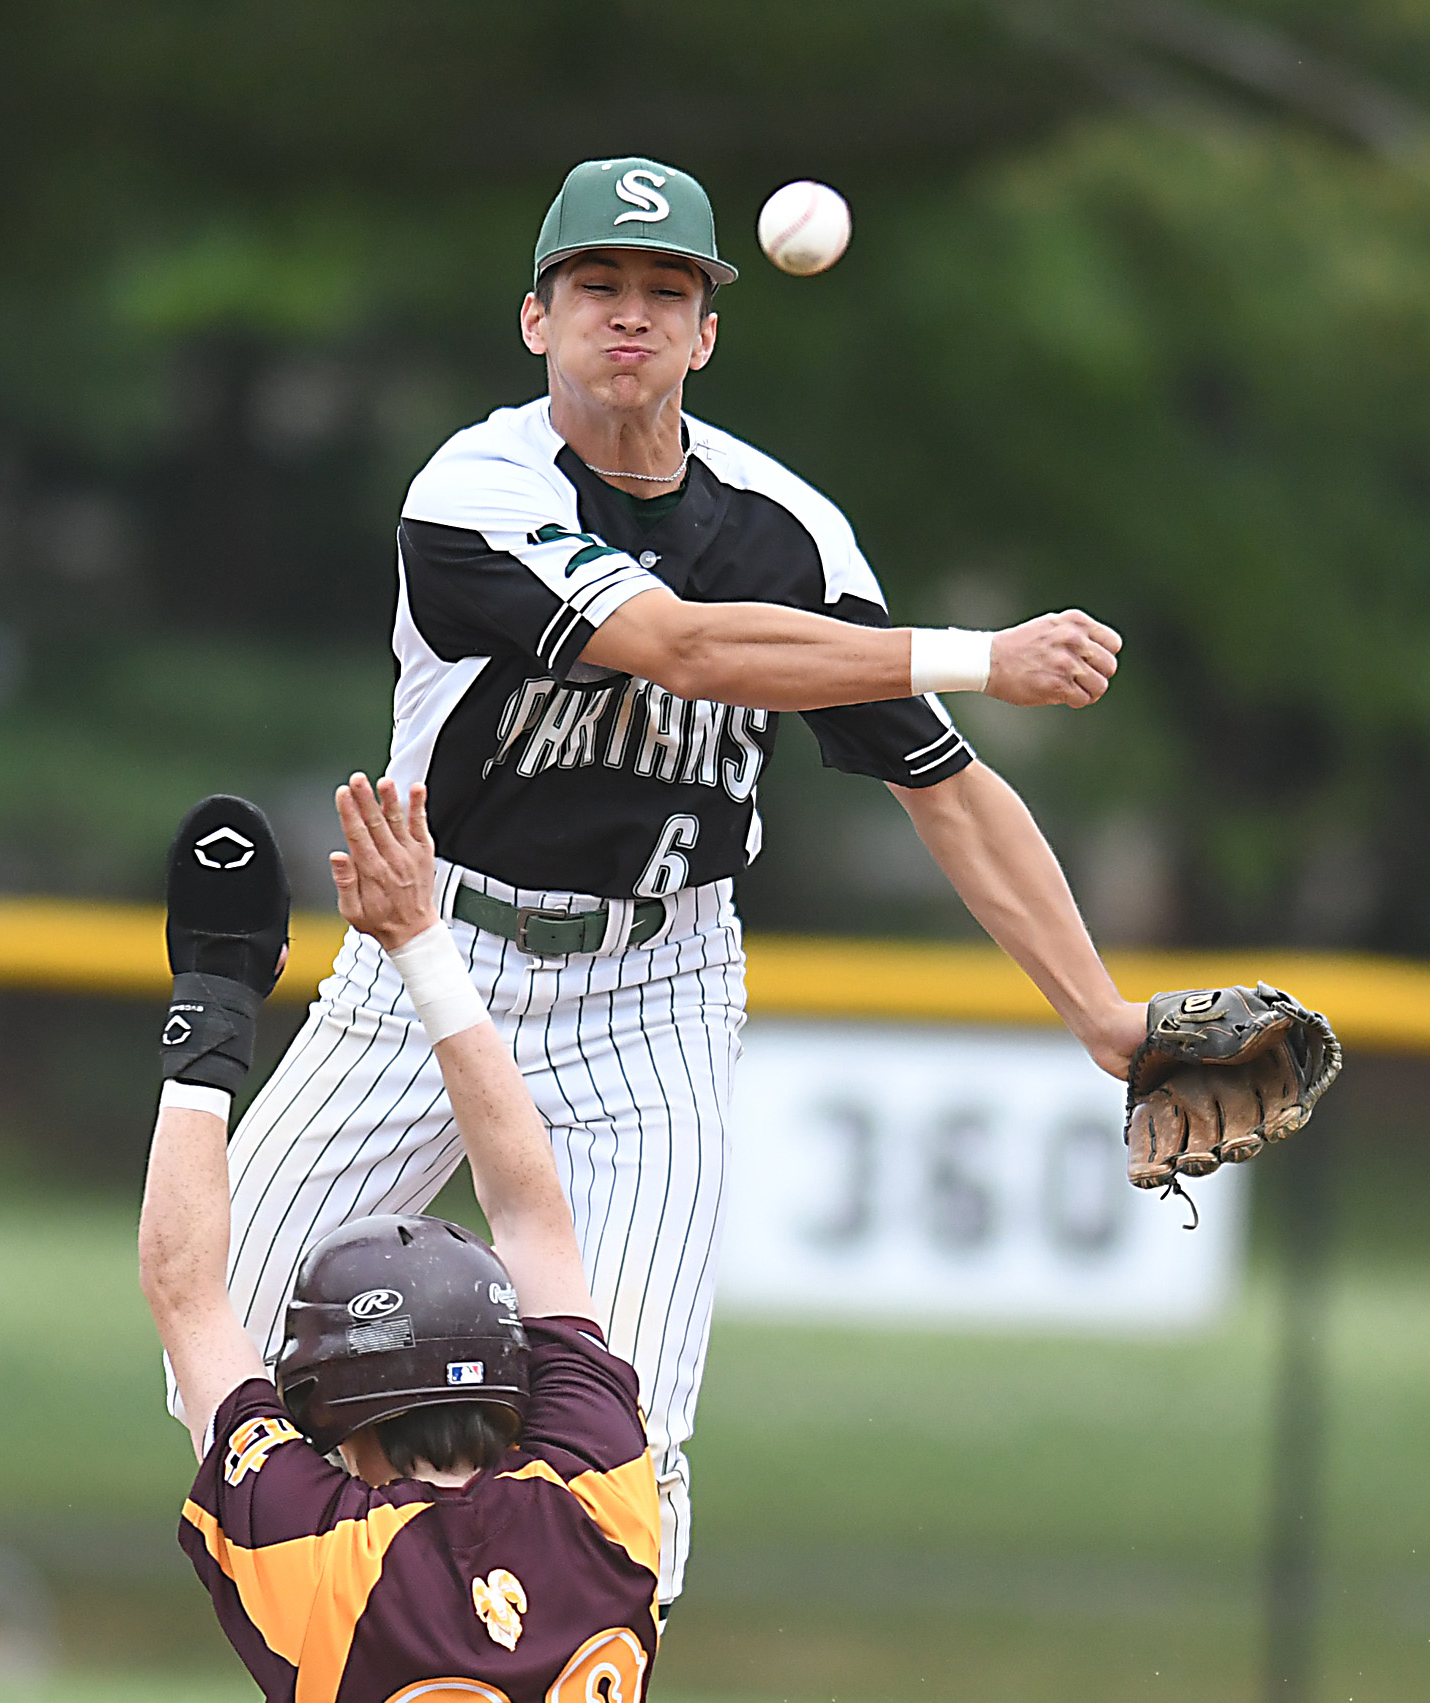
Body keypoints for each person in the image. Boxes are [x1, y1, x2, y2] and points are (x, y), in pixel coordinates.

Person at [201, 154, 1148, 1614]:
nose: (629, 317)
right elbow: (686, 648)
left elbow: (944, 786)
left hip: (656, 994)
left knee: (625, 1429)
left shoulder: (791, 533)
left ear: (708, 333)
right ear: (536, 319)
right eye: (597, 287)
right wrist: (979, 651)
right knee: (231, 1351)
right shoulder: (477, 489)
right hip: (427, 958)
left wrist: (1106, 1018)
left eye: (666, 292)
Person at [79, 779, 709, 1703]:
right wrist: (422, 940)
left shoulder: (317, 1549)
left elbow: (187, 1292)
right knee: (330, 1699)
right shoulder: (604, 1477)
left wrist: (212, 1004)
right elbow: (533, 1211)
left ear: (337, 1414)